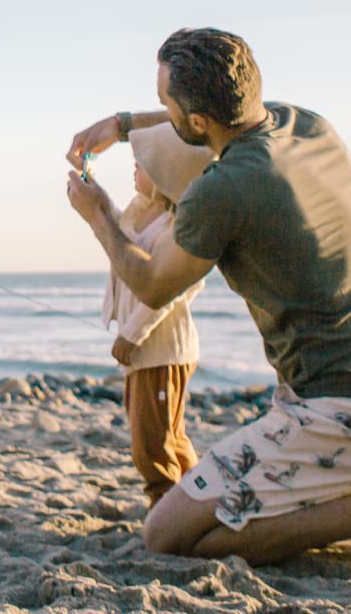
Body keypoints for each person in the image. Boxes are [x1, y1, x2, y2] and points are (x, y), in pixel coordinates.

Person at [64, 28, 351, 584]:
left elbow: (151, 285)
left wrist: (97, 212)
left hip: (344, 417)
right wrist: (123, 125)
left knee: (166, 534)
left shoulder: (221, 191)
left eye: (165, 101)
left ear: (197, 123)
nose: (159, 109)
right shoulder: (307, 125)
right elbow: (193, 125)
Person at [101, 124, 211, 505]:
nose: (134, 168)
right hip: (147, 353)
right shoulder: (142, 212)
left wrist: (131, 334)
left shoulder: (180, 225)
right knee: (169, 435)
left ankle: (166, 505)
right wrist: (92, 195)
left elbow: (172, 291)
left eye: (142, 163)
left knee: (152, 443)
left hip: (162, 351)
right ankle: (198, 504)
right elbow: (116, 238)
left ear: (167, 172)